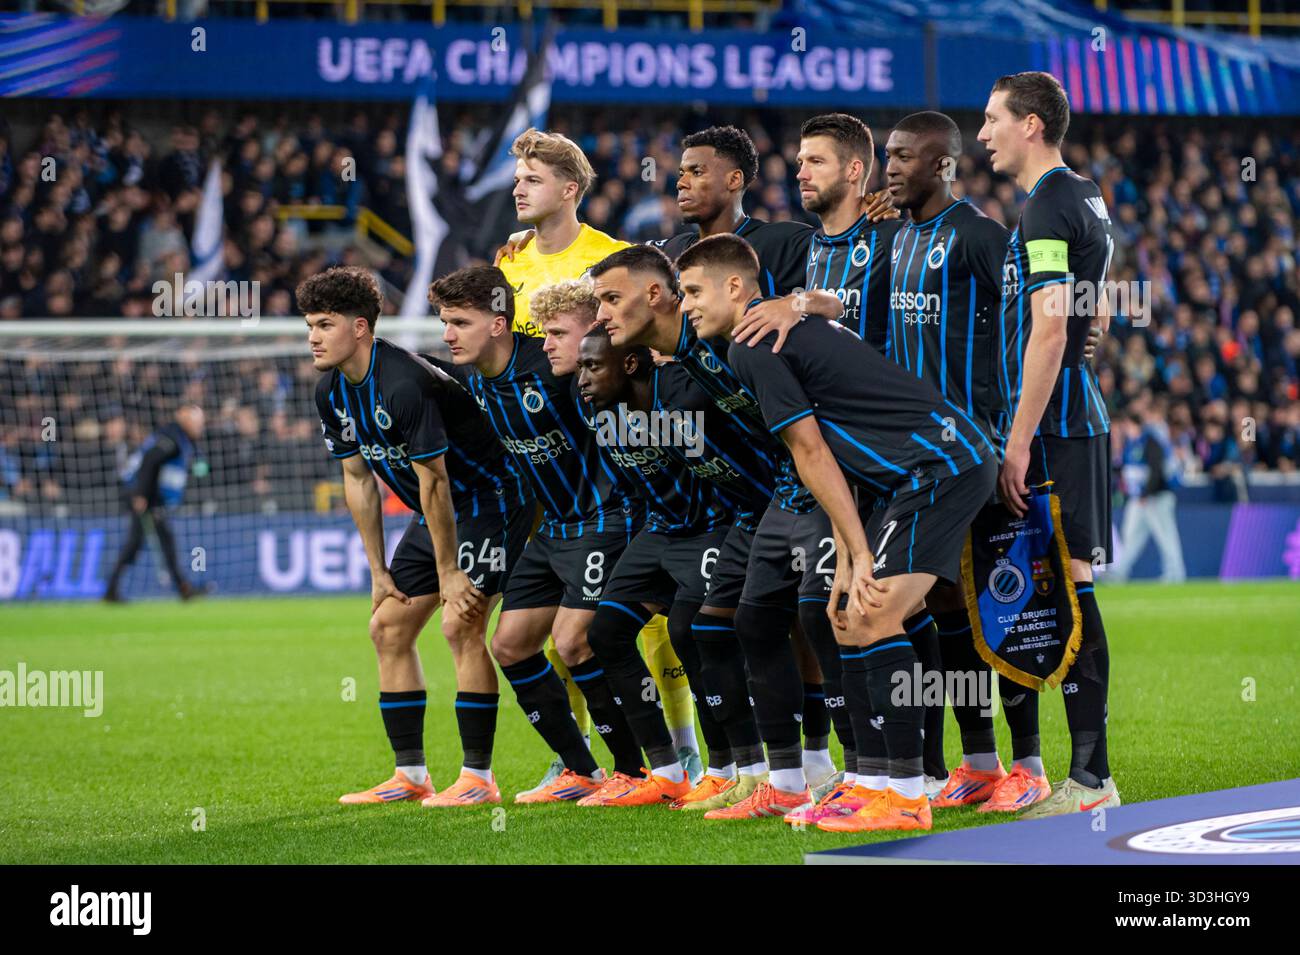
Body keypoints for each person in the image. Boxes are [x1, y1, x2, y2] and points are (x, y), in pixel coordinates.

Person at [679, 231, 996, 832]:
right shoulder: (776, 331)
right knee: (846, 616)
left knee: (874, 614)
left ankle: (907, 795)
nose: (687, 303)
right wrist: (850, 554)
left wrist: (857, 549)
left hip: (939, 466)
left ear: (736, 287)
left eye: (694, 291)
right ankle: (868, 782)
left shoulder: (752, 343)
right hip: (904, 476)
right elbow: (840, 443)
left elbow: (811, 450)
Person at [497, 129, 697, 789]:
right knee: (563, 627)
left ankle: (681, 743)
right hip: (546, 469)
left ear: (569, 189)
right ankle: (580, 753)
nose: (518, 188)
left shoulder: (611, 257)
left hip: (612, 461)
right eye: (517, 177)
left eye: (531, 178)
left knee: (646, 618)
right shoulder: (510, 261)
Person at [302, 266, 534, 806]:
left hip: (495, 500)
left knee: (462, 623)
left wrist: (449, 571)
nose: (312, 336)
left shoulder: (403, 381)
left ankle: (478, 780)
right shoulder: (329, 391)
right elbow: (357, 478)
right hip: (441, 513)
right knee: (387, 626)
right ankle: (410, 776)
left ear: (360, 328)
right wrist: (378, 571)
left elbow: (435, 479)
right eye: (309, 324)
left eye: (324, 324)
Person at [434, 264, 646, 804]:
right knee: (508, 645)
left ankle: (636, 770)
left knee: (574, 641)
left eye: (459, 322)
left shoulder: (558, 369)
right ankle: (581, 770)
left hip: (603, 520)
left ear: (500, 324)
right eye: (445, 322)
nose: (447, 334)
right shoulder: (476, 380)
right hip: (550, 530)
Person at [979, 70, 1121, 816]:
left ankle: (1092, 780)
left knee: (1070, 589)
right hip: (1072, 414)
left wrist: (1018, 440)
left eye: (993, 119)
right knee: (1062, 590)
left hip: (1056, 424)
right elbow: (1086, 303)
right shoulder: (1082, 194)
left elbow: (1053, 325)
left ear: (1031, 124)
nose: (982, 134)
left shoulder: (1047, 206)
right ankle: (1083, 777)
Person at [103, 403, 208, 603]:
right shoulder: (172, 439)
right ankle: (111, 590)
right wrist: (141, 495)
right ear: (184, 418)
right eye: (196, 421)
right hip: (143, 495)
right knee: (137, 544)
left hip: (150, 496)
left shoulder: (179, 437)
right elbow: (150, 460)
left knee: (162, 541)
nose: (200, 426)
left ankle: (183, 588)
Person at [1113, 405, 1186, 583]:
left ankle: (1175, 573)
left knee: (1165, 535)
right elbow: (1126, 469)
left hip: (1157, 497)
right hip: (1138, 498)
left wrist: (1146, 493)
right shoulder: (1131, 444)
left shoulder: (1151, 441)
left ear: (1131, 424)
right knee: (1131, 536)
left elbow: (1156, 470)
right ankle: (1119, 573)